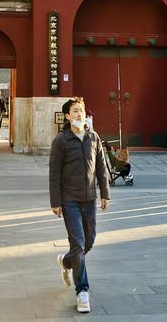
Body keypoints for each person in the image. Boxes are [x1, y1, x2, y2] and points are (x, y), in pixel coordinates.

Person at [49, 96, 110, 315]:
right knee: (77, 243)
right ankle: (82, 291)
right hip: (70, 200)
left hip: (90, 199)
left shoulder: (93, 137)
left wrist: (105, 193)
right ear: (67, 116)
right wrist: (55, 202)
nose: (79, 114)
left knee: (89, 241)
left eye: (81, 110)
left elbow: (102, 167)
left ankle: (66, 262)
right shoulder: (62, 140)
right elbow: (54, 173)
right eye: (75, 111)